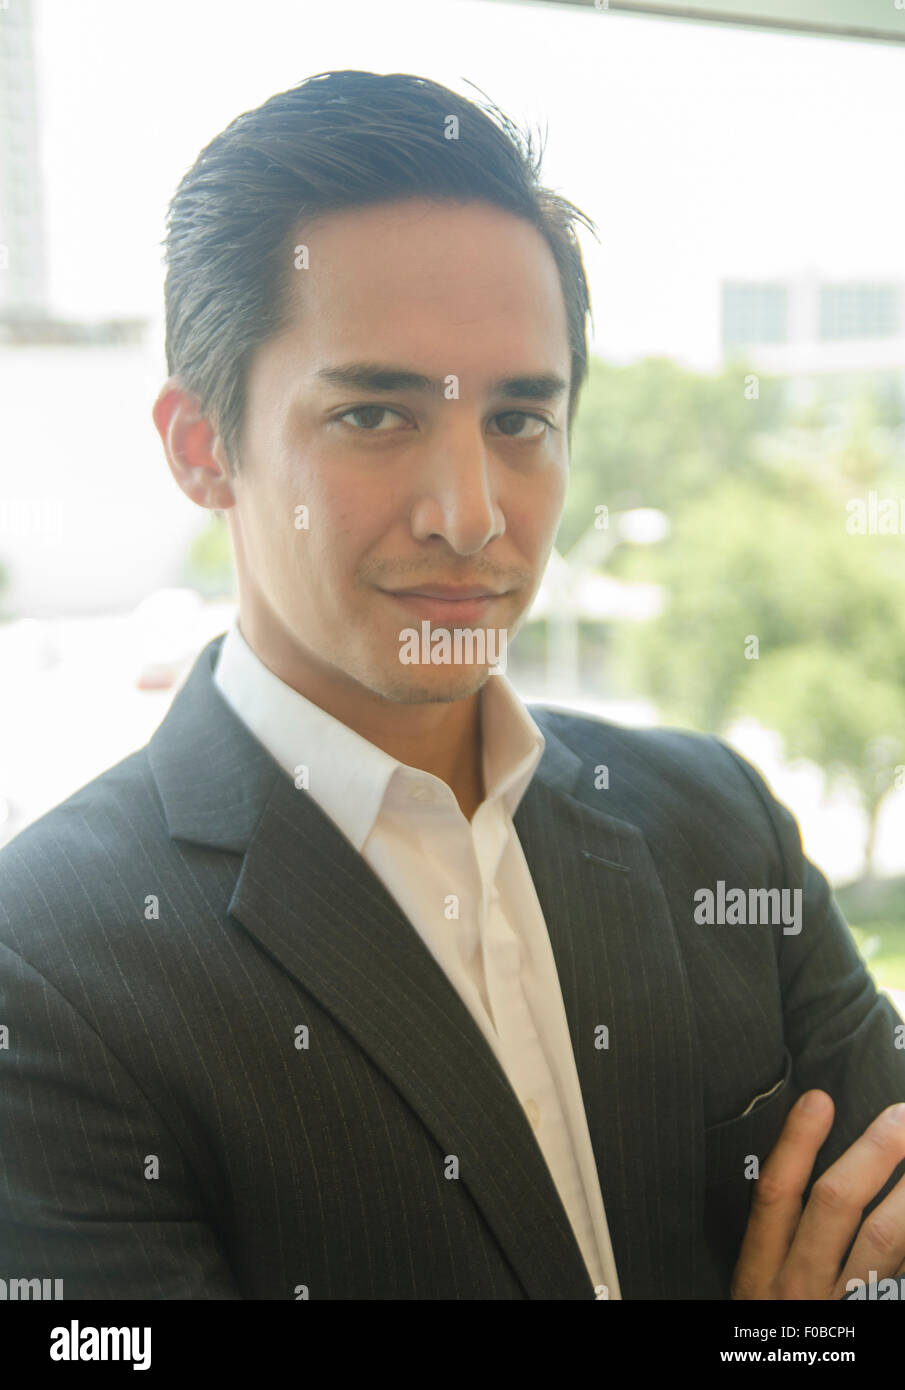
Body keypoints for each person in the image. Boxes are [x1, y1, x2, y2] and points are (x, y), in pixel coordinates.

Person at [1, 69, 904, 1302]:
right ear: (201, 447)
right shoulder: (45, 963)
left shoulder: (716, 822)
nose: (470, 516)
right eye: (374, 414)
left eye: (519, 419)